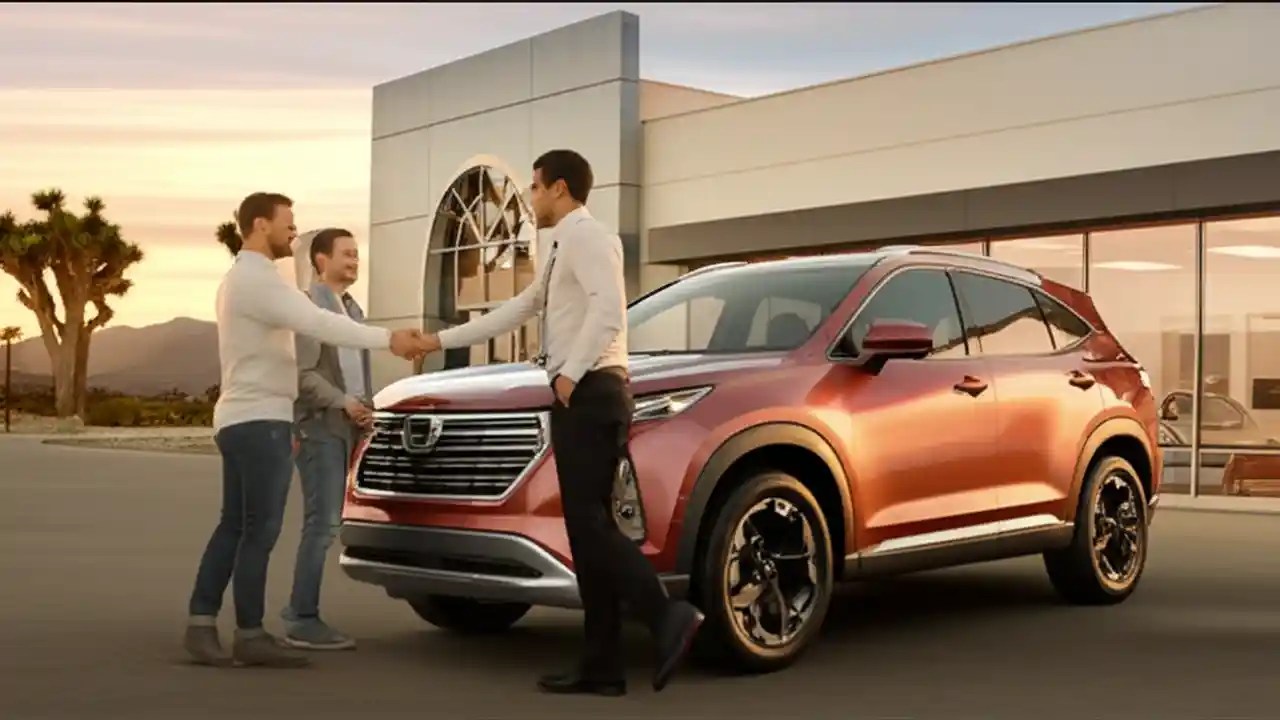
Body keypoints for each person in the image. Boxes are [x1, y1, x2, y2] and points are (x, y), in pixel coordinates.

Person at [417, 150, 704, 696]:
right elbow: (521, 308)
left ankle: (668, 616)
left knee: (592, 526)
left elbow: (609, 310)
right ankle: (602, 665)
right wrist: (438, 341)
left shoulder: (589, 238)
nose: (530, 197)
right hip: (583, 393)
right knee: (585, 527)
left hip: (591, 392)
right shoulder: (561, 246)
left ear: (561, 188)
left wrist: (569, 374)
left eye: (535, 187)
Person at [184, 193, 427, 669]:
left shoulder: (238, 280)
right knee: (260, 530)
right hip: (259, 421)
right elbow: (319, 323)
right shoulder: (259, 281)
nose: (293, 233)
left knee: (234, 525)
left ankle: (201, 623)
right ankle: (250, 634)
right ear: (259, 226)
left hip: (242, 418)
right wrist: (389, 339)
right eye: (287, 225)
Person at [281, 227, 372, 651]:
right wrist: (342, 402)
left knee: (331, 522)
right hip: (320, 426)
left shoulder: (352, 311)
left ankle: (302, 615)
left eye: (357, 254)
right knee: (322, 525)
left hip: (351, 425)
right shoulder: (308, 311)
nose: (355, 260)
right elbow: (302, 376)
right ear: (321, 260)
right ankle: (301, 618)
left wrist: (366, 408)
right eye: (346, 254)